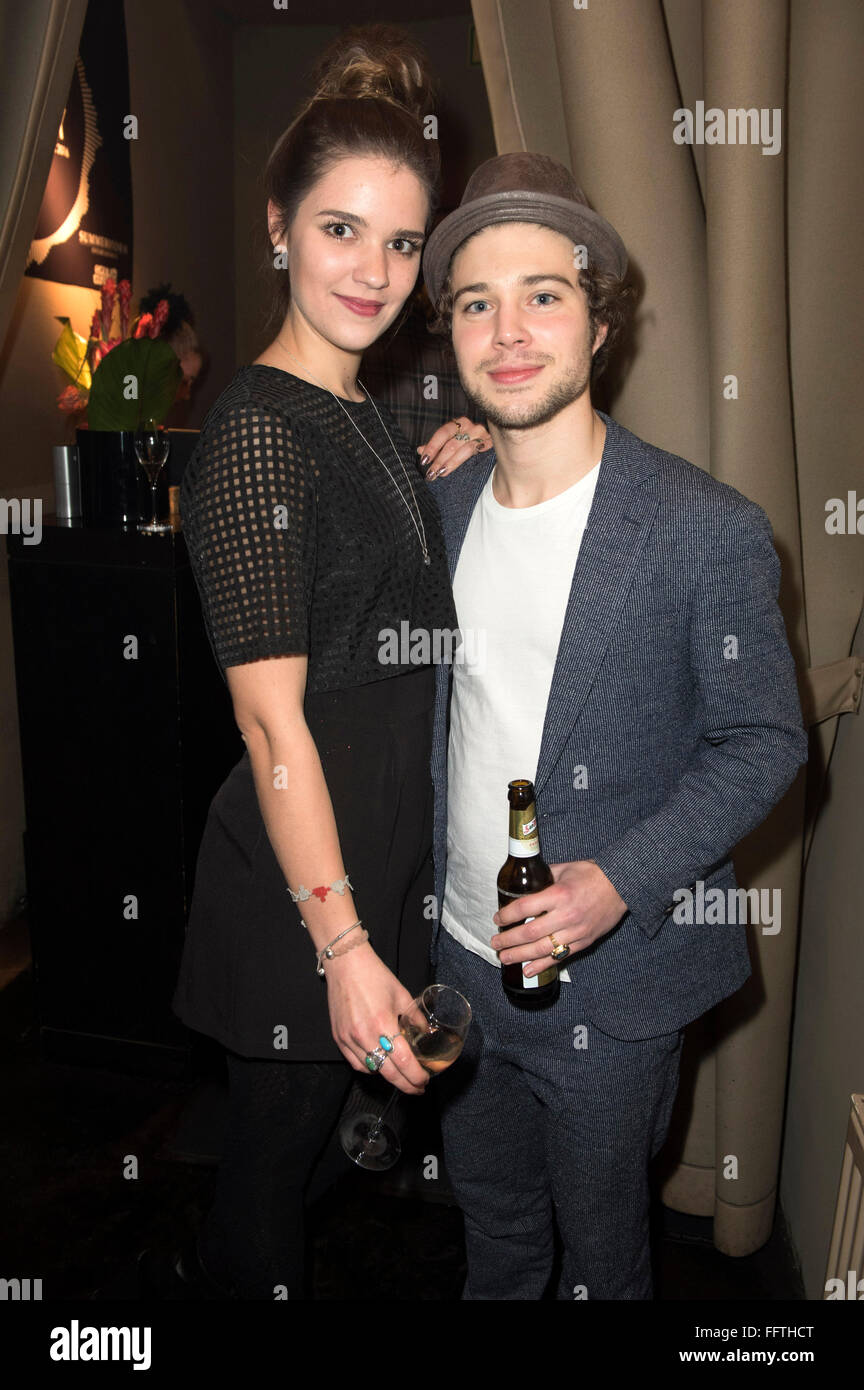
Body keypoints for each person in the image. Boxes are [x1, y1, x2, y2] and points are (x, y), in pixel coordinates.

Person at [421, 152, 809, 1300]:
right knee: (492, 1235)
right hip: (456, 964)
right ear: (450, 338)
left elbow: (768, 740)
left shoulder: (707, 528)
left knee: (603, 1259)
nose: (509, 330)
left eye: (544, 294)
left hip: (615, 987)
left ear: (600, 325)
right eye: (477, 303)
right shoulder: (437, 508)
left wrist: (618, 883)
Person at [154, 26, 486, 1300]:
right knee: (274, 1182)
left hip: (383, 847)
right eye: (341, 230)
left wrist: (466, 444)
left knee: (329, 1163)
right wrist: (342, 943)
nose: (376, 269)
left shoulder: (380, 415)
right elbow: (271, 725)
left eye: (403, 242)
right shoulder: (251, 433)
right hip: (308, 883)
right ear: (279, 225)